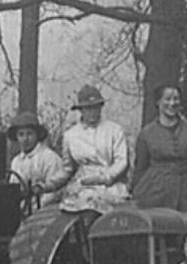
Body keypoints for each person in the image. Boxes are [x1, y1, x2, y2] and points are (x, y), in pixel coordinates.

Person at [50, 84, 130, 214]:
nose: (93, 112)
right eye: (88, 108)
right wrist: (50, 184)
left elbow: (122, 161)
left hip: (110, 185)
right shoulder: (71, 135)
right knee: (80, 206)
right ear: (80, 110)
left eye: (96, 107)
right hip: (82, 184)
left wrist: (105, 177)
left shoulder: (114, 130)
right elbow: (67, 168)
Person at [131, 84, 187, 212]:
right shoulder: (147, 133)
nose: (172, 103)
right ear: (158, 102)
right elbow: (140, 167)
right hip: (155, 192)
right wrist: (135, 192)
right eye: (167, 99)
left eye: (176, 99)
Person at [7, 111, 63, 208]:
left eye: (29, 134)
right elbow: (13, 191)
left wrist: (36, 208)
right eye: (21, 134)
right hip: (21, 211)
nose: (25, 139)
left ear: (37, 135)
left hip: (45, 212)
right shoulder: (16, 162)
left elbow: (54, 193)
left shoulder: (49, 158)